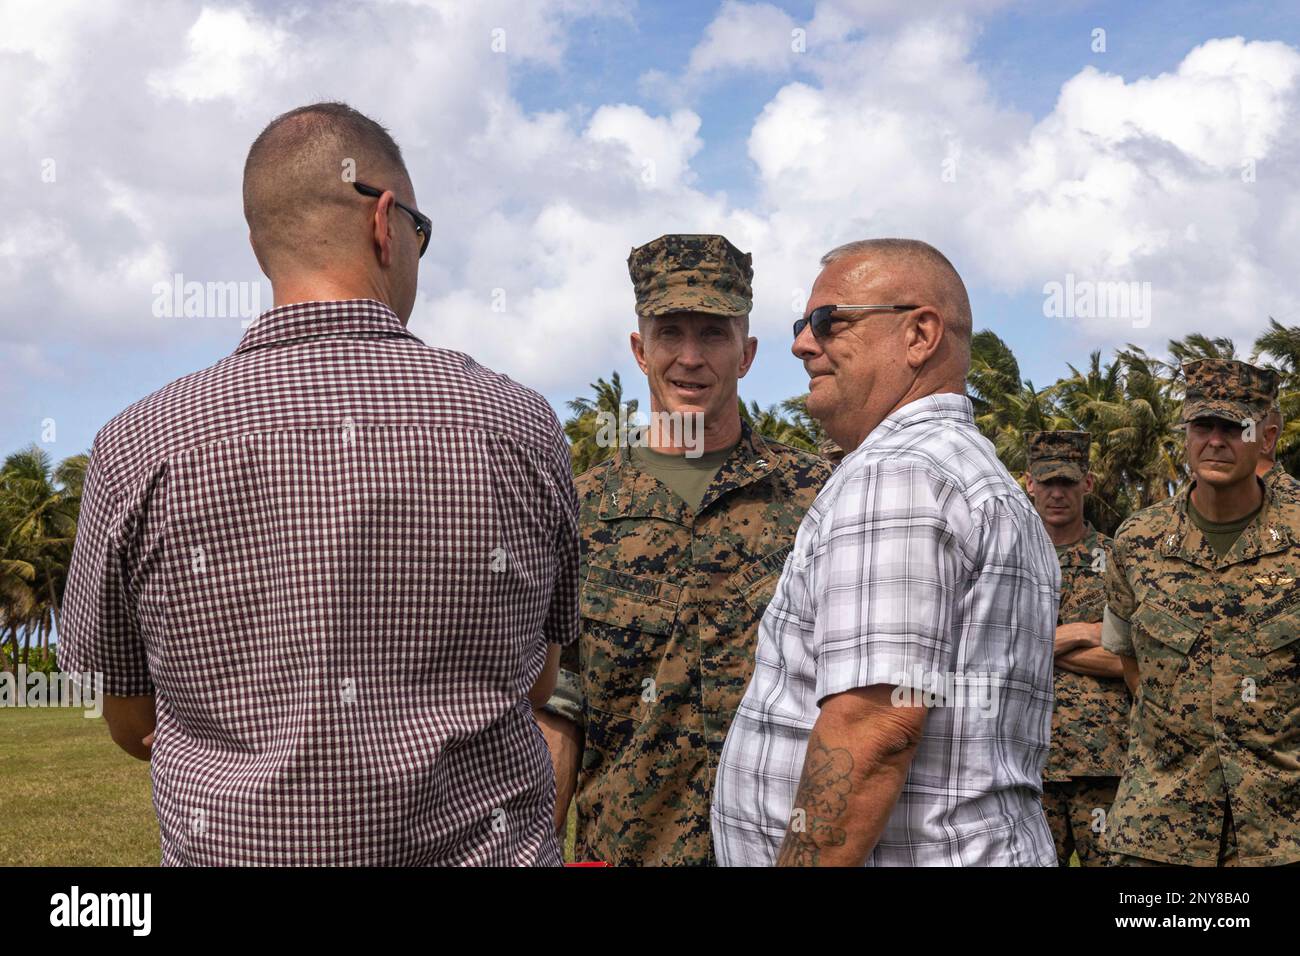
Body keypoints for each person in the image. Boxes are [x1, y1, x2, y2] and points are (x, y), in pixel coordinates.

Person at [58, 102, 579, 866]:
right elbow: (539, 681)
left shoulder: (139, 444)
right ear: (385, 221)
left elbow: (131, 720)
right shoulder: (519, 426)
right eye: (420, 234)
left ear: (258, 243)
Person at [712, 238, 1059, 866]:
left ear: (919, 335)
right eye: (801, 324)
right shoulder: (970, 474)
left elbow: (875, 730)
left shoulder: (897, 473)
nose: (801, 344)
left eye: (829, 321)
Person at [535, 234, 830, 866]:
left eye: (714, 334)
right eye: (670, 333)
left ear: (747, 353)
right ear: (641, 350)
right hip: (624, 852)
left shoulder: (819, 497)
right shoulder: (581, 507)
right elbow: (561, 706)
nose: (690, 358)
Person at [1102, 358, 1300, 866]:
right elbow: (1129, 660)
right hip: (1160, 829)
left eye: (1234, 427)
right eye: (1202, 426)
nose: (1216, 440)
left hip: (1282, 833)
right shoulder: (1137, 541)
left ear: (1267, 437)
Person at [1024, 431, 1130, 866]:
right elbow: (985, 653)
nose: (1057, 494)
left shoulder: (1119, 557)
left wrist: (1034, 643)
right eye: (1047, 482)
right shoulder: (1006, 557)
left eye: (1067, 483)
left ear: (1087, 484)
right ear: (1028, 483)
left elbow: (1131, 660)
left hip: (1103, 762)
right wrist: (1085, 632)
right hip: (1026, 761)